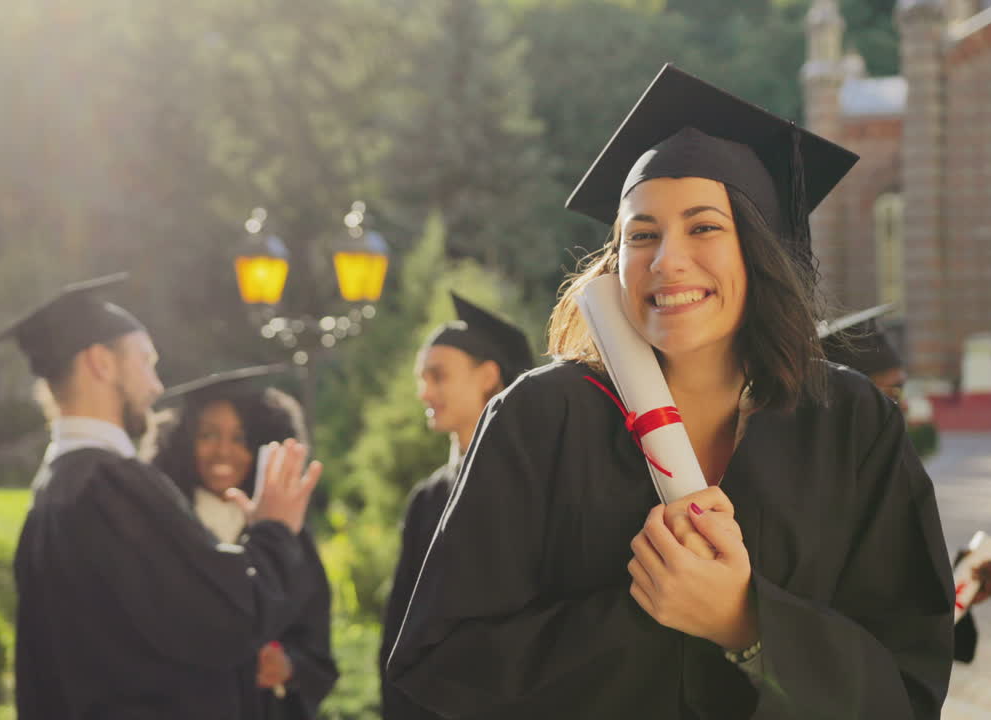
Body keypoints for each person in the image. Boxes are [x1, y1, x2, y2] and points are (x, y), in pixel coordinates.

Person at [386, 64, 954, 719]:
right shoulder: (538, 419)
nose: (666, 260)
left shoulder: (849, 421)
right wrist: (649, 615)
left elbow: (907, 685)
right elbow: (442, 663)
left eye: (704, 226)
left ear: (759, 247)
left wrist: (747, 622)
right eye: (642, 234)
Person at [0, 274, 324, 719]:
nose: (155, 385)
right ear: (101, 363)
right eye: (145, 362)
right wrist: (274, 529)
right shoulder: (112, 487)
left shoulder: (55, 486)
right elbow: (225, 619)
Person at [150, 365, 338, 720]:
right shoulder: (164, 529)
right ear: (184, 440)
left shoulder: (287, 533)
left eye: (240, 438)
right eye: (207, 435)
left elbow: (317, 649)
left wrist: (288, 666)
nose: (223, 451)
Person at [380, 292, 534, 719]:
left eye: (437, 375)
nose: (423, 391)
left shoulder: (535, 489)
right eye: (420, 378)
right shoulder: (427, 499)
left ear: (488, 375)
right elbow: (399, 634)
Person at [821, 305, 991, 663]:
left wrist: (952, 588)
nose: (902, 410)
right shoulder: (808, 495)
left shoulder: (890, 480)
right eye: (892, 395)